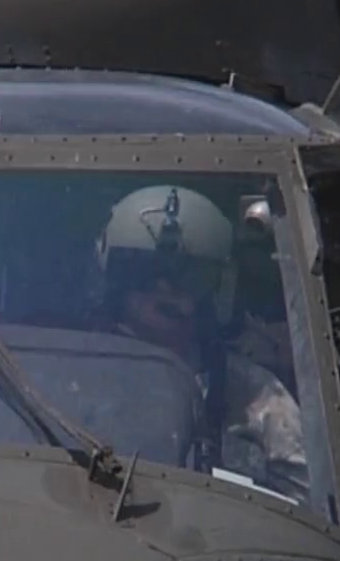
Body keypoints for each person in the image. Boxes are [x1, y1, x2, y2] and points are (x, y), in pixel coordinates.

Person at [90, 184, 310, 502]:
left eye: (187, 274)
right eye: (143, 271)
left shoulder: (252, 393)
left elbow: (305, 506)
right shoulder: (74, 375)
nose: (164, 287)